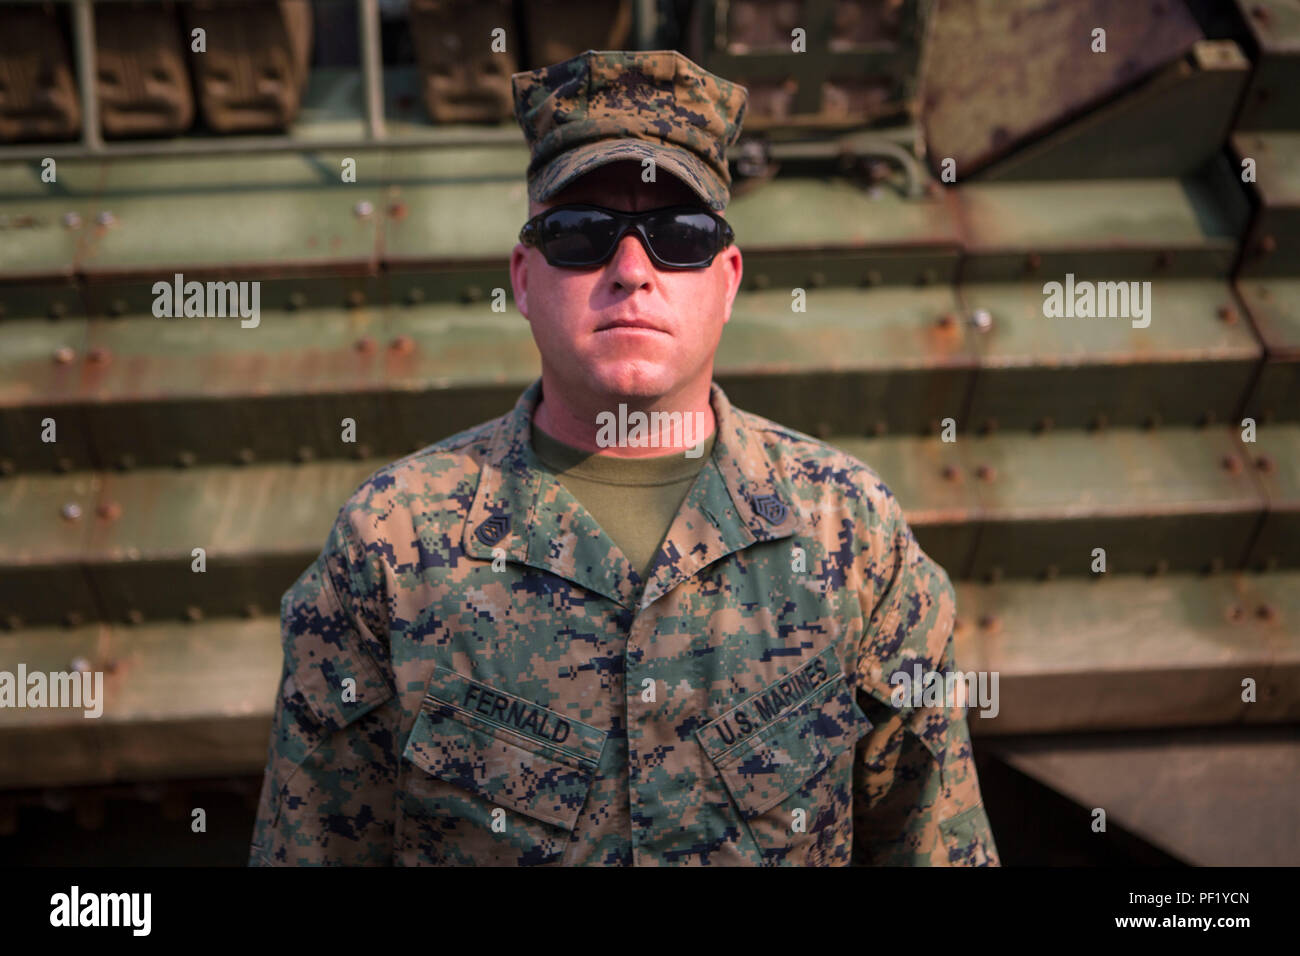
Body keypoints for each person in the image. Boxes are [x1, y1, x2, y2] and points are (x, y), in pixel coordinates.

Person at [249, 49, 999, 866]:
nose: (632, 271)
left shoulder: (851, 536)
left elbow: (931, 844)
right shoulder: (391, 547)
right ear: (525, 278)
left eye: (679, 234)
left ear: (728, 279)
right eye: (582, 234)